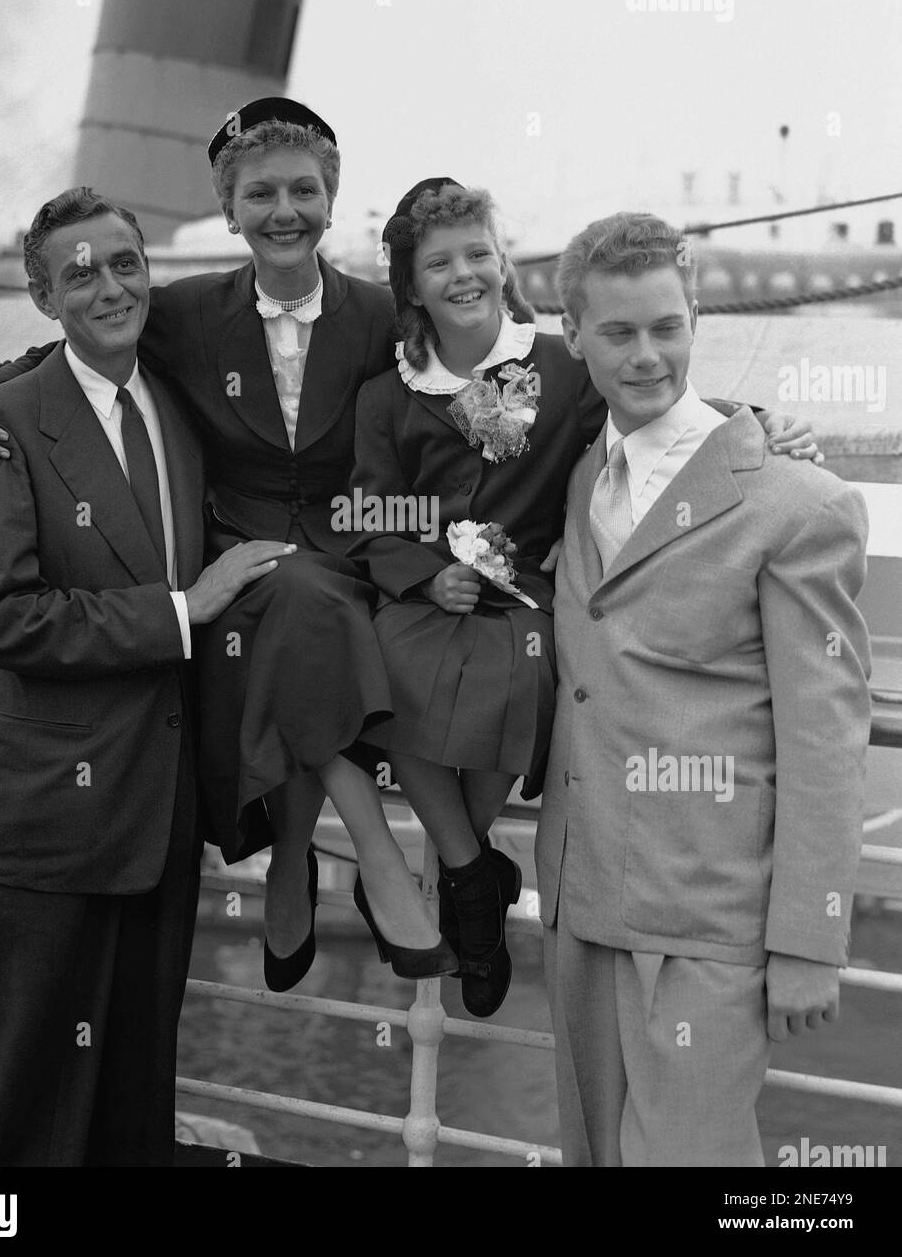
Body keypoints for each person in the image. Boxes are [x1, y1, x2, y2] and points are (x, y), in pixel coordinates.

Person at [0, 99, 455, 988]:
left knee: (309, 617)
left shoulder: (380, 316)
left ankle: (292, 860)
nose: (283, 211)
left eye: (303, 190)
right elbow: (82, 343)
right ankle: (374, 853)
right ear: (230, 212)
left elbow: (507, 364)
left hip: (348, 560)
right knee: (293, 609)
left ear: (332, 201)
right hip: (240, 568)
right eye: (260, 194)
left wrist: (735, 414)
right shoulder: (185, 311)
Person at [348, 179, 821, 1019]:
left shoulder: (559, 364)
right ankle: (467, 872)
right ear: (409, 285)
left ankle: (471, 870)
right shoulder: (387, 396)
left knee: (522, 674)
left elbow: (655, 397)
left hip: (527, 586)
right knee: (384, 666)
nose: (464, 275)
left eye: (479, 255)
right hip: (424, 587)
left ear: (503, 263)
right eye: (439, 263)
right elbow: (371, 510)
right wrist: (423, 571)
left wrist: (757, 419)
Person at [0, 188, 294, 1165]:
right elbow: (7, 617)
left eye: (125, 263)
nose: (109, 285)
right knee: (13, 1106)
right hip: (47, 824)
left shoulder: (180, 402)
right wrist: (191, 608)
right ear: (41, 293)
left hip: (160, 819)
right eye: (80, 272)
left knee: (130, 1107)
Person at [537, 211, 871, 1166]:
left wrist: (808, 942)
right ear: (573, 337)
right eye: (619, 333)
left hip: (708, 929)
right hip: (581, 902)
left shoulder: (795, 505)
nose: (649, 357)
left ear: (694, 320)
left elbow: (824, 736)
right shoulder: (580, 480)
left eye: (668, 327)